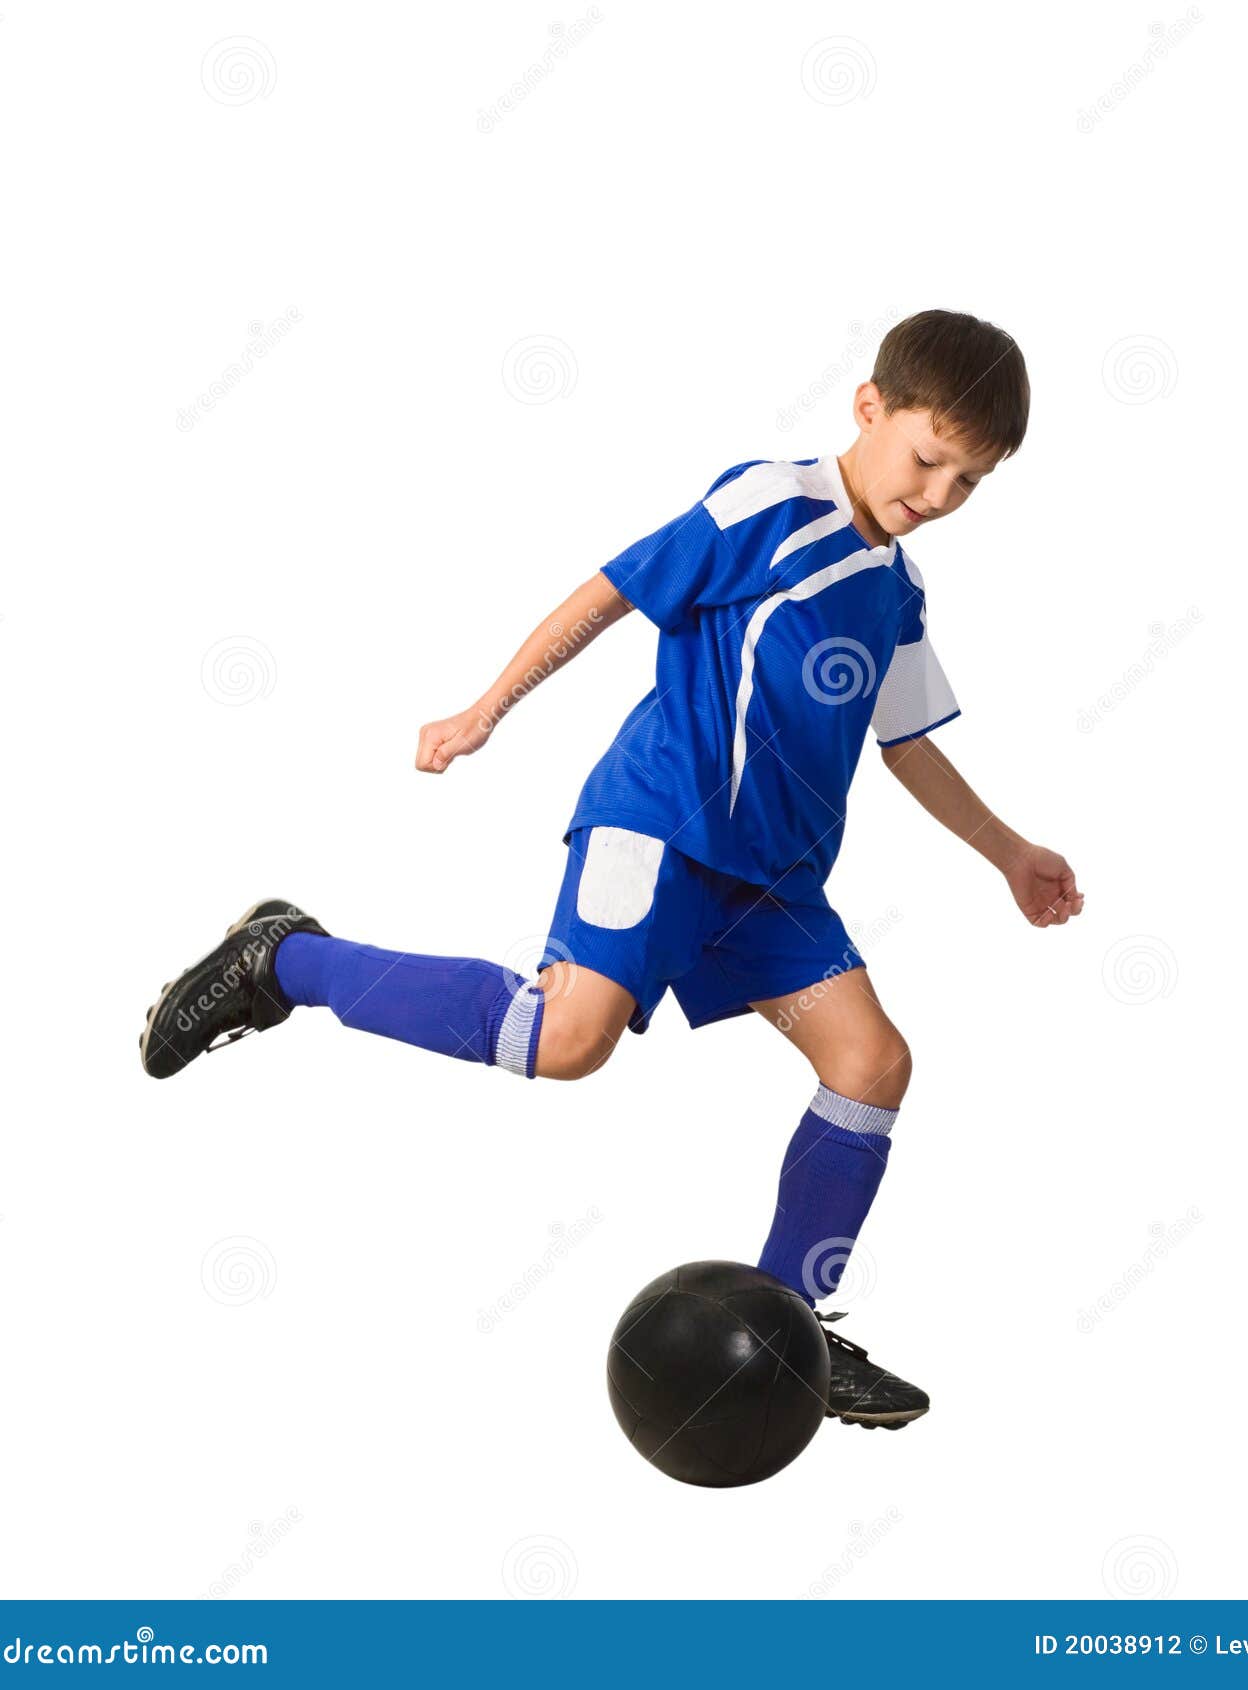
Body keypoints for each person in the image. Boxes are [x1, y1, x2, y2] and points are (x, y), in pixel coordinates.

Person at [140, 309, 1084, 1430]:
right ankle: (284, 961)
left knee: (872, 1064)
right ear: (868, 407)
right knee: (565, 1041)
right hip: (662, 826)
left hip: (772, 880)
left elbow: (908, 744)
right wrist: (485, 709)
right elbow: (611, 591)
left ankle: (789, 1328)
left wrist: (1010, 853)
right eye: (928, 458)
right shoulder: (770, 503)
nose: (939, 493)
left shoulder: (897, 591)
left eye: (970, 481)